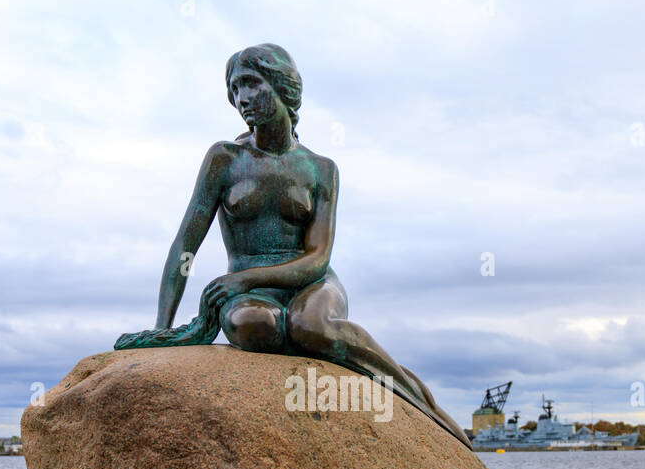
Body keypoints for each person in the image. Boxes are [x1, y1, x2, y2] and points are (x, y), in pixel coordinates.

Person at [115, 43, 470, 447]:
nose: (242, 99)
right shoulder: (224, 159)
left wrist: (243, 278)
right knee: (253, 326)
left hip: (313, 282)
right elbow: (185, 245)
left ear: (282, 85)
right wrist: (163, 329)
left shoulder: (320, 169)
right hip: (251, 293)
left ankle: (410, 390)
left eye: (251, 84)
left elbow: (317, 258)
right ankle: (335, 354)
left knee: (309, 325)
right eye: (235, 91)